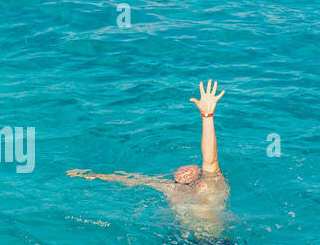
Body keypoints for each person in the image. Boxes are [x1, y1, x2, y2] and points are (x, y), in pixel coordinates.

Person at [67, 80, 229, 234]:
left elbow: (130, 179)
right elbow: (210, 159)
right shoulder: (201, 187)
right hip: (201, 240)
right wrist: (207, 116)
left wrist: (94, 175)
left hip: (193, 240)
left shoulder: (181, 188)